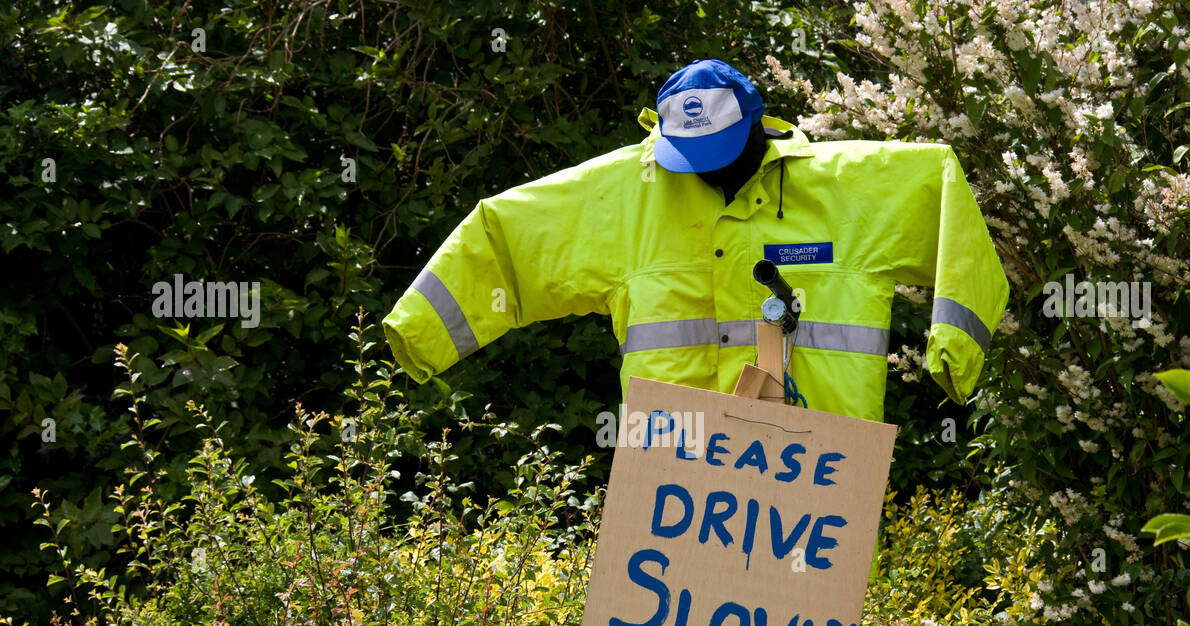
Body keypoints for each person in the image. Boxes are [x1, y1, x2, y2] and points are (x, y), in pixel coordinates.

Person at [382, 58, 1008, 424]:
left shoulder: (850, 187)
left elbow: (944, 188)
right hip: (676, 470)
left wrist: (956, 346)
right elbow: (505, 232)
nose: (706, 170)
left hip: (819, 463)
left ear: (758, 125)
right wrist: (420, 333)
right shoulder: (625, 191)